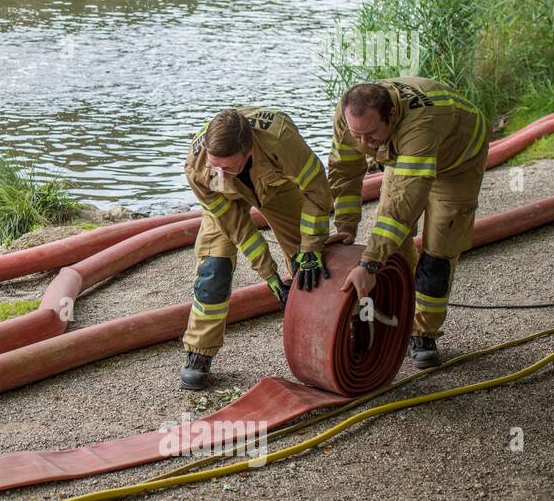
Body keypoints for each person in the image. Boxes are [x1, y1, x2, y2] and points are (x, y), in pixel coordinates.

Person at [326, 77, 489, 368]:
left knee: (438, 255)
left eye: (371, 136)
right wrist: (346, 227)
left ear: (392, 116)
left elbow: (403, 203)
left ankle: (423, 334)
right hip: (406, 155)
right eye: (357, 136)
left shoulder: (421, 125)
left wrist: (369, 264)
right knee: (393, 242)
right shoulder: (350, 114)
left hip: (457, 163)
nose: (363, 144)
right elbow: (345, 171)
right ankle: (401, 309)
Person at [180, 108, 333, 389]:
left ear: (248, 150)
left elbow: (316, 190)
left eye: (228, 167)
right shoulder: (198, 166)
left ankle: (327, 343)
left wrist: (311, 248)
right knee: (214, 270)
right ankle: (198, 353)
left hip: (277, 189)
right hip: (225, 204)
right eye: (216, 167)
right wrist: (269, 274)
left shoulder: (282, 140)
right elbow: (236, 226)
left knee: (309, 266)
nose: (220, 173)